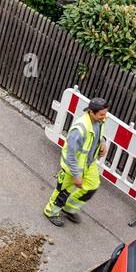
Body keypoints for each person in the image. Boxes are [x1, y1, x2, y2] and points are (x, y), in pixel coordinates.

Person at [44, 97, 109, 226]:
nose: (104, 116)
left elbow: (98, 134)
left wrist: (102, 143)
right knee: (63, 192)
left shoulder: (99, 121)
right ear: (91, 112)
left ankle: (69, 208)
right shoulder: (79, 130)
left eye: (105, 113)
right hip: (73, 167)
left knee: (92, 186)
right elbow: (70, 155)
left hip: (89, 164)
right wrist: (76, 175)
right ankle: (51, 212)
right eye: (102, 114)